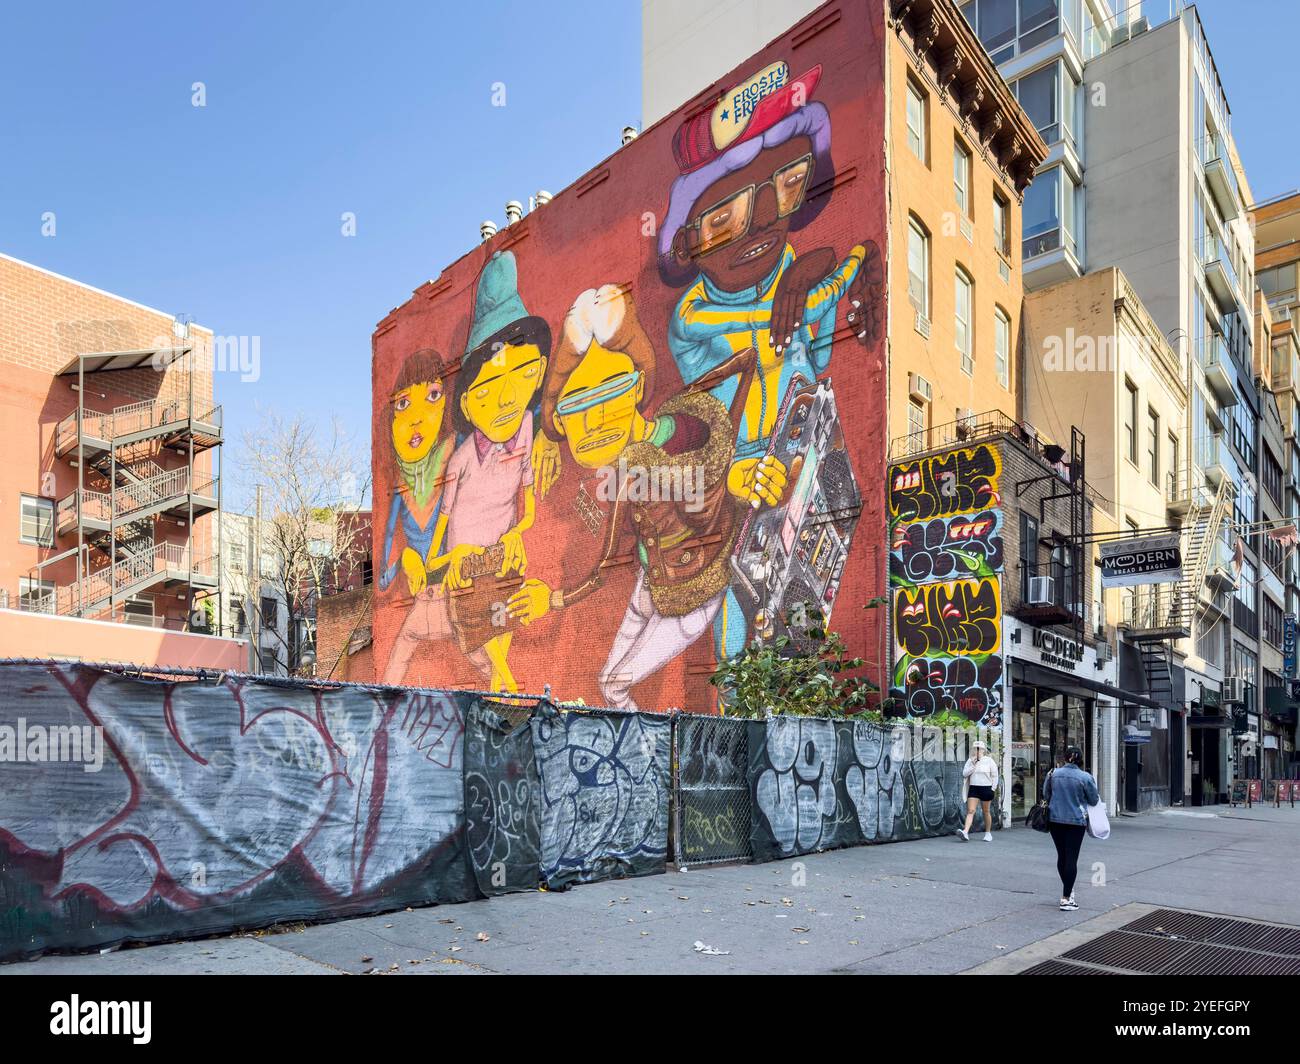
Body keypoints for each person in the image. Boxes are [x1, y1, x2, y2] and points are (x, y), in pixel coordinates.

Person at [1043, 747, 1099, 911]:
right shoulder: (1085, 777)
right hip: (1076, 821)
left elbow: (1046, 795)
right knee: (1072, 858)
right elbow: (1094, 800)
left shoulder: (1053, 774)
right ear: (1081, 759)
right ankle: (1066, 898)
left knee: (1062, 856)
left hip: (1055, 819)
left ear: (1065, 758)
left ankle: (1068, 890)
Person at [958, 740, 998, 842]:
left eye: (979, 749)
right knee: (971, 811)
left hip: (986, 788)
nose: (977, 750)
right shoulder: (970, 761)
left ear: (983, 750)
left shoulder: (989, 761)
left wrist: (993, 788)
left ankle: (988, 833)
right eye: (975, 749)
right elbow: (964, 774)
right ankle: (965, 832)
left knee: (986, 811)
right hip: (974, 788)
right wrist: (973, 764)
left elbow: (995, 775)